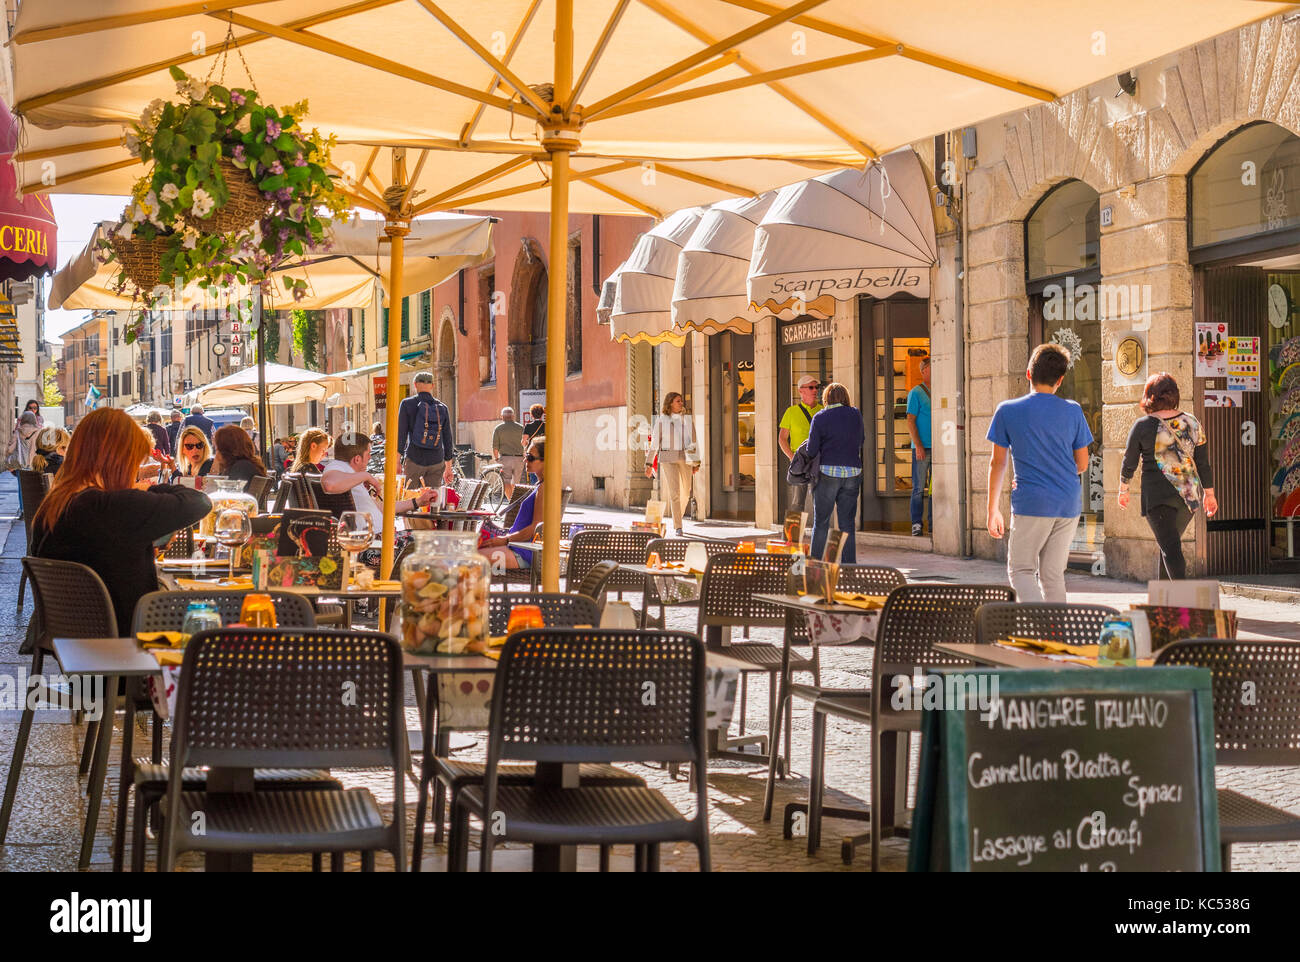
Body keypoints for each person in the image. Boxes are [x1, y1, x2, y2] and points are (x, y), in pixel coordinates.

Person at [31, 407, 210, 633]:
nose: (134, 469)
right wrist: (146, 491)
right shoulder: (112, 505)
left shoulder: (58, 501)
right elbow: (199, 502)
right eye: (134, 461)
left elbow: (104, 548)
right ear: (118, 459)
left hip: (68, 631)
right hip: (123, 631)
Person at [986, 343, 1093, 603]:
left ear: (1028, 374)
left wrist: (992, 510)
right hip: (1068, 503)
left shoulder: (1007, 410)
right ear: (1060, 380)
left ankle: (1038, 631)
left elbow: (997, 463)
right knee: (1053, 575)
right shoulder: (1073, 410)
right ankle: (1056, 637)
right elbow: (1082, 464)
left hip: (1031, 501)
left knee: (1021, 570)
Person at [1119, 373, 1218, 579]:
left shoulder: (1143, 425)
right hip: (1188, 497)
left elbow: (1129, 462)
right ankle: (1163, 605)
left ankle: (1181, 604)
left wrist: (1123, 489)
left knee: (1170, 549)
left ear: (1150, 396)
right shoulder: (1191, 422)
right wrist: (1210, 494)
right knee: (1168, 546)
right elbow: (1203, 463)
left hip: (1157, 498)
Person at [320, 431, 435, 533]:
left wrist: (418, 501)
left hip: (379, 538)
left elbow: (381, 508)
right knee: (430, 540)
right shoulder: (337, 466)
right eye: (368, 454)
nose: (370, 457)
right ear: (357, 459)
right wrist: (366, 476)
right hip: (375, 543)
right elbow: (329, 485)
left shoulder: (349, 474)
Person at [805, 382, 864, 564]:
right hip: (853, 472)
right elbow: (861, 440)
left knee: (821, 522)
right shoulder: (855, 414)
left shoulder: (820, 417)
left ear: (826, 398)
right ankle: (849, 568)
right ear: (845, 397)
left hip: (828, 473)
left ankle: (816, 565)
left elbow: (811, 450)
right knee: (847, 524)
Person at [479, 436, 546, 571]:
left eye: (531, 457)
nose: (525, 460)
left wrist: (505, 540)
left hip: (524, 553)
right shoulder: (541, 485)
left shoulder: (545, 488)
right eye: (526, 455)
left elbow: (536, 528)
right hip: (517, 547)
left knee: (468, 560)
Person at [645, 392, 700, 537]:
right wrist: (649, 463)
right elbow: (655, 443)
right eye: (678, 401)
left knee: (686, 491)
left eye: (681, 401)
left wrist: (695, 462)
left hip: (684, 458)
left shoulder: (687, 420)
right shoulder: (662, 420)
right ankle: (678, 526)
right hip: (668, 458)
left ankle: (678, 518)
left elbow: (693, 442)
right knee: (675, 493)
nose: (681, 403)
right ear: (670, 403)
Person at [396, 371, 455, 488]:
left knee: (411, 498)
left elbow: (401, 435)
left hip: (414, 458)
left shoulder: (407, 404)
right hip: (437, 460)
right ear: (432, 386)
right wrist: (448, 467)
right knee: (432, 499)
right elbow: (448, 439)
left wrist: (397, 462)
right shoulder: (442, 407)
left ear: (415, 384)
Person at [779, 375, 823, 514]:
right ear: (801, 391)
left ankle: (818, 534)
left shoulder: (823, 411)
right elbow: (782, 438)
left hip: (819, 461)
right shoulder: (791, 412)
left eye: (817, 387)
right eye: (811, 387)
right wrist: (793, 458)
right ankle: (792, 534)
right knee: (797, 502)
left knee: (820, 499)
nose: (815, 390)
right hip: (800, 461)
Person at [906, 356, 933, 536]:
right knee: (918, 488)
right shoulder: (916, 392)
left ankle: (933, 523)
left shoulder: (941, 389)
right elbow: (910, 421)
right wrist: (918, 446)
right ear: (923, 371)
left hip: (939, 447)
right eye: (931, 368)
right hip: (922, 447)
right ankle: (916, 523)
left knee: (935, 488)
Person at [492, 406, 527, 497]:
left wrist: (496, 459)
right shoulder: (521, 428)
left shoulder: (498, 428)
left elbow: (495, 447)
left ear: (502, 417)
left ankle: (511, 502)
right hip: (519, 459)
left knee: (506, 481)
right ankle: (514, 501)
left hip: (505, 458)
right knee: (516, 482)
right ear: (513, 416)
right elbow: (525, 443)